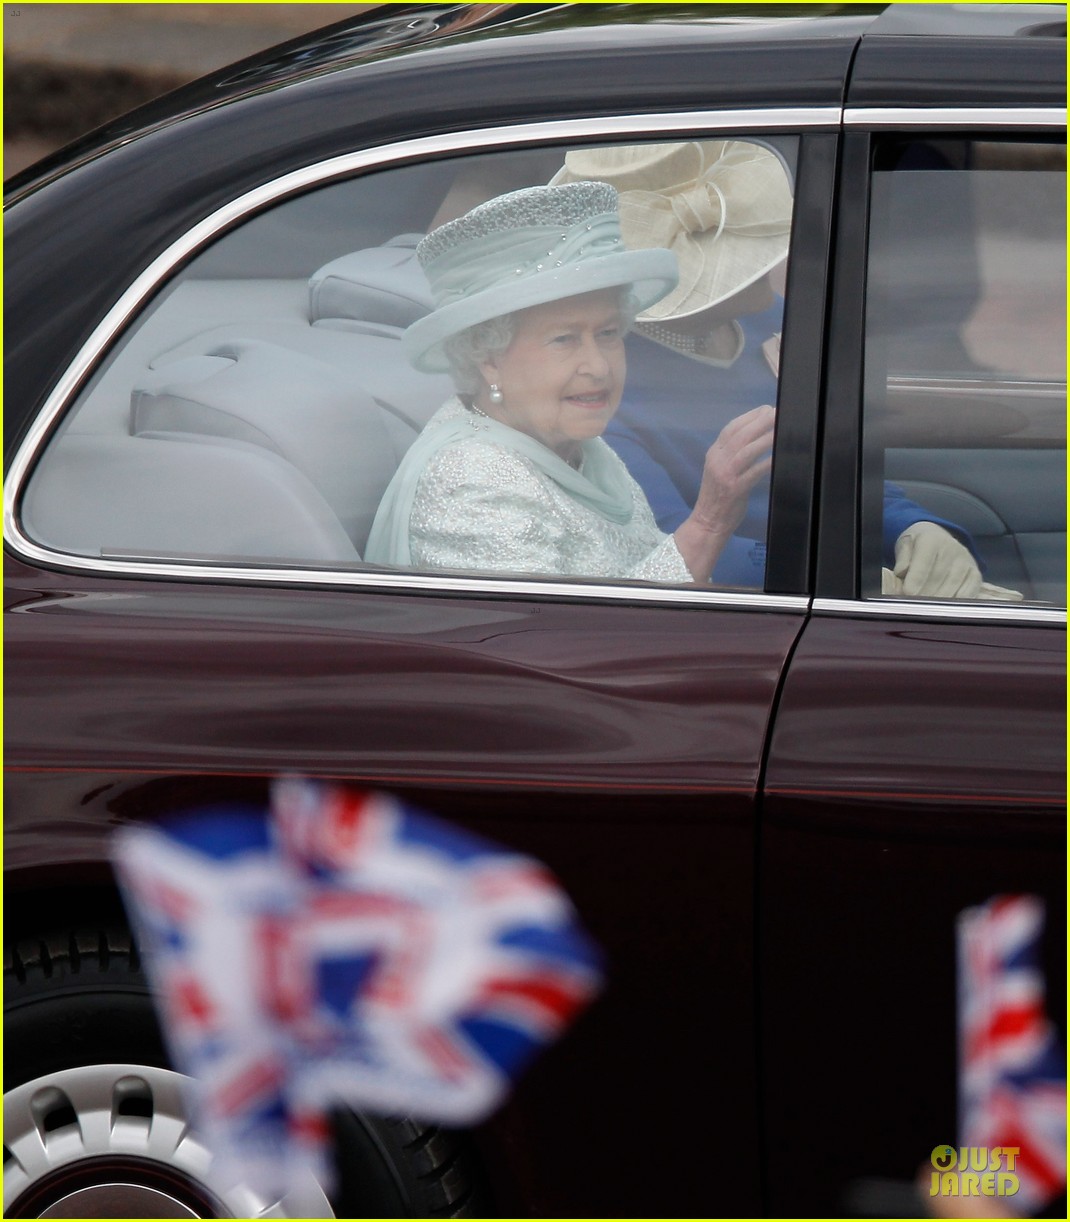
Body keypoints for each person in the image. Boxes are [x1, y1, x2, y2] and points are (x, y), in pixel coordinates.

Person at [552, 140, 1017, 598]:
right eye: (738, 245)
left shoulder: (775, 321)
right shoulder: (601, 391)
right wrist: (859, 579)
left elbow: (833, 472)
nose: (770, 257)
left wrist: (914, 527)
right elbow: (667, 547)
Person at [364, 181, 774, 584]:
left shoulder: (578, 448)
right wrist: (708, 524)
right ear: (488, 359)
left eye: (608, 333)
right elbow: (566, 629)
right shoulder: (472, 483)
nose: (598, 366)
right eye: (564, 339)